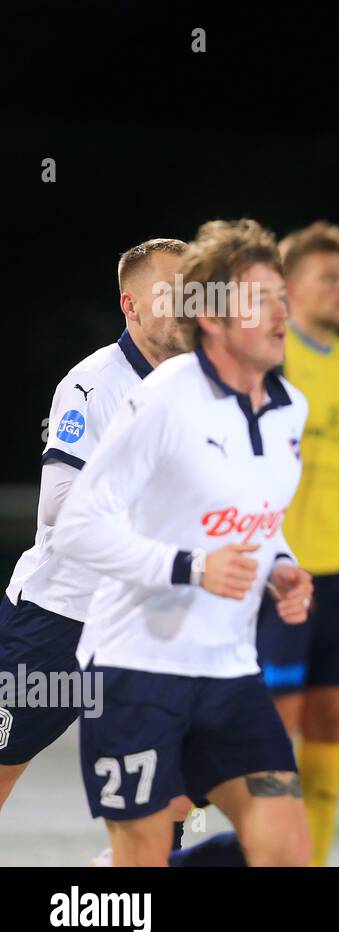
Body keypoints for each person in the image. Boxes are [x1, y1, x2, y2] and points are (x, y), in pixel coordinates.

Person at [54, 219, 314, 866]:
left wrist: (283, 565)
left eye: (282, 297)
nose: (283, 315)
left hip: (228, 671)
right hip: (134, 672)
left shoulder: (291, 408)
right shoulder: (166, 394)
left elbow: (253, 514)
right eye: (262, 301)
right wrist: (192, 567)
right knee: (138, 866)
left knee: (285, 852)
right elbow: (79, 524)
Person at [0, 238, 188, 827]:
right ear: (130, 305)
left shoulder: (204, 385)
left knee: (165, 797)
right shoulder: (92, 385)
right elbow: (58, 503)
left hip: (150, 626)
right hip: (61, 616)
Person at [255, 221, 339, 866]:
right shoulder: (268, 356)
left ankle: (311, 861)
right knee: (275, 726)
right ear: (289, 289)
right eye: (329, 277)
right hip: (279, 575)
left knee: (331, 721)